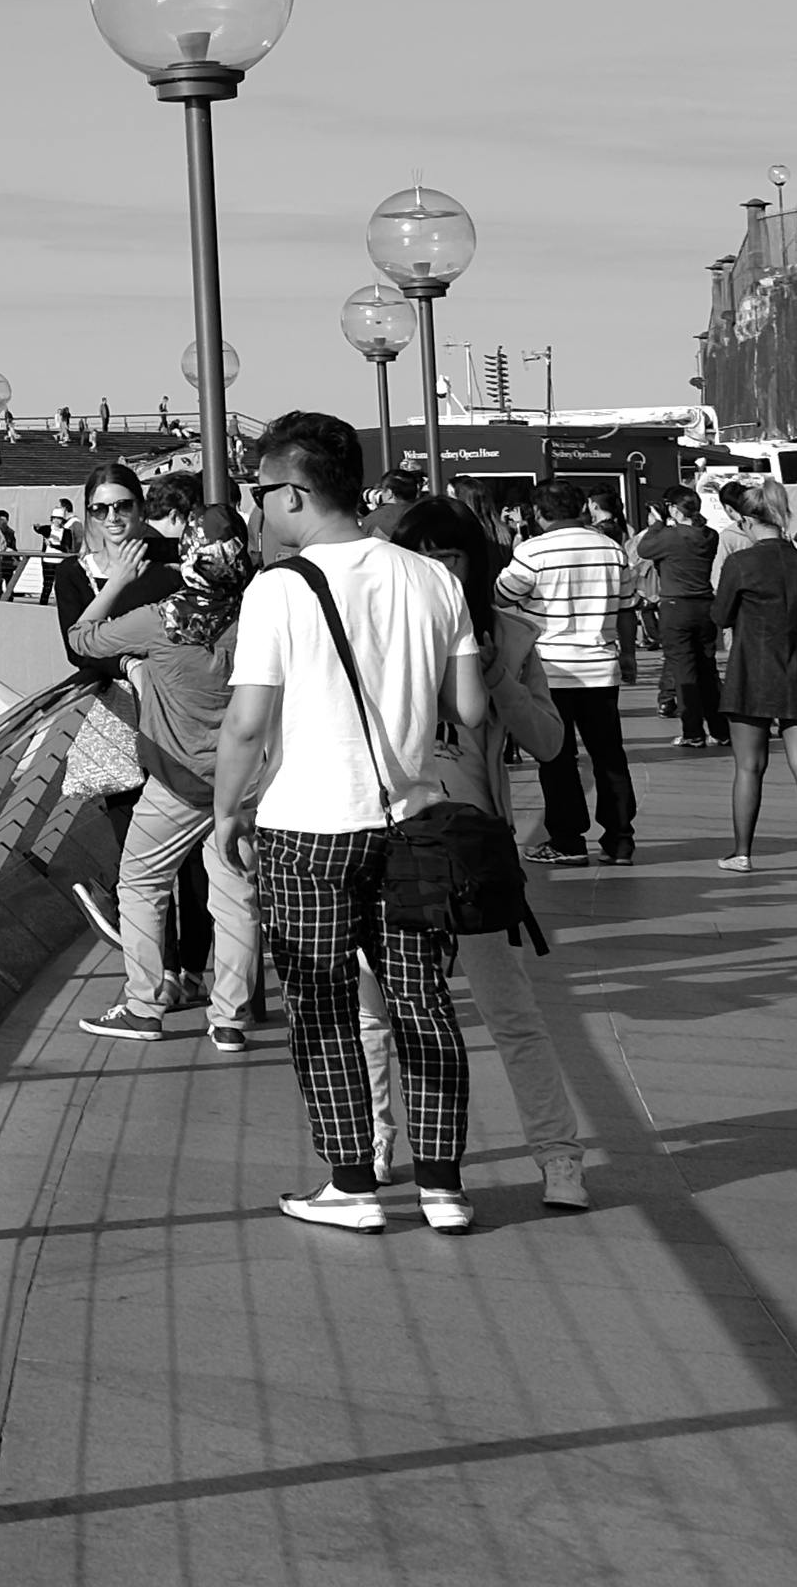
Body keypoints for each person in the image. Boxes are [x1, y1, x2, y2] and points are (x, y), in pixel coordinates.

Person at [214, 408, 488, 1236]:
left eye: (261, 492)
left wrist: (227, 811)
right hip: (411, 820)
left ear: (295, 493)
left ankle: (353, 1184)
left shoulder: (278, 589)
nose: (257, 508)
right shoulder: (431, 578)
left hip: (307, 828)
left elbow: (249, 722)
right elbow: (468, 708)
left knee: (323, 1005)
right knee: (422, 1003)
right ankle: (443, 1186)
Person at [383, 491, 595, 1214]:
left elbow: (549, 741)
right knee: (379, 1012)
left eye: (452, 556)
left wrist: (491, 665)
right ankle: (377, 1146)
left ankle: (559, 1158)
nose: (440, 569)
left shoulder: (508, 635)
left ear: (473, 564)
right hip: (390, 841)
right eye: (426, 556)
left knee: (511, 1013)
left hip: (473, 850)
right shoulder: (379, 631)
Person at [77, 535, 267, 1051]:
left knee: (139, 885)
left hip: (175, 784)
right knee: (235, 901)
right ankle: (229, 1018)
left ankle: (144, 1007)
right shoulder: (256, 619)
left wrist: (117, 581)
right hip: (240, 784)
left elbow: (83, 638)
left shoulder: (159, 621)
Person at [713, 487, 797, 874]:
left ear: (748, 521)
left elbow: (720, 615)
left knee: (749, 768)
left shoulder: (740, 564)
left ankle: (742, 853)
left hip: (753, 669)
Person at [509, 489, 642, 864]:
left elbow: (504, 594)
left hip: (550, 669)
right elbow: (628, 608)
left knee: (557, 755)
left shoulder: (533, 551)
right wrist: (628, 654)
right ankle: (620, 838)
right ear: (582, 509)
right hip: (601, 666)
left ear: (537, 512)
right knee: (609, 755)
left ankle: (567, 838)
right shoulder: (611, 549)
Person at [634, 491, 726, 747]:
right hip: (705, 606)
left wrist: (657, 523)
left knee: (684, 671)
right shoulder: (710, 535)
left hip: (676, 607)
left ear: (675, 509)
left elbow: (644, 549)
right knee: (707, 669)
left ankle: (693, 731)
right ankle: (720, 729)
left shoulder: (670, 537)